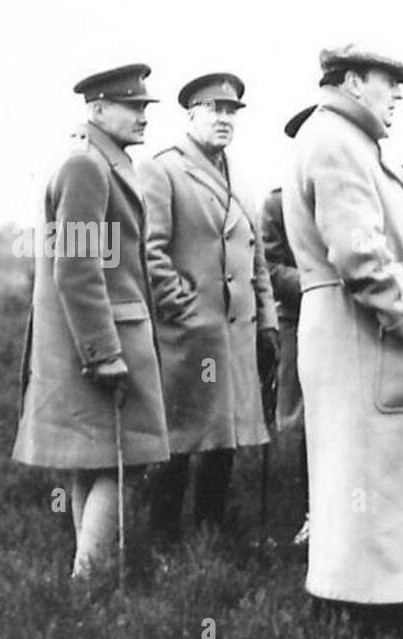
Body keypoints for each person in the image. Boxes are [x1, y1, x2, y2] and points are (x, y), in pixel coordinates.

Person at [282, 45, 403, 637]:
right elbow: (359, 257)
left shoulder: (347, 138)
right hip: (362, 332)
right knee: (366, 476)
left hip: (362, 330)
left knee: (375, 477)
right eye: (390, 83)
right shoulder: (334, 140)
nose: (397, 95)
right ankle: (375, 617)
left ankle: (388, 608)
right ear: (355, 81)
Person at [12, 64, 170, 579]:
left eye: (145, 106)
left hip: (103, 334)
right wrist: (104, 353)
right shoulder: (87, 166)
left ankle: (86, 592)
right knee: (127, 466)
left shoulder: (102, 163)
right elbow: (78, 268)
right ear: (98, 109)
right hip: (104, 339)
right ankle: (90, 588)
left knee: (96, 462)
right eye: (132, 106)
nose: (142, 115)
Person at [140, 73, 279, 538]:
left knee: (226, 441)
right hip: (190, 335)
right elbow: (150, 250)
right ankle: (162, 544)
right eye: (214, 110)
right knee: (180, 439)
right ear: (191, 115)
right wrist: (181, 307)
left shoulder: (240, 178)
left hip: (236, 335)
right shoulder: (164, 170)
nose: (224, 120)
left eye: (231, 111)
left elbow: (256, 259)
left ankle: (210, 540)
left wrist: (269, 325)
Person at [260, 105, 316, 548]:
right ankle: (312, 513)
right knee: (305, 420)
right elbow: (272, 268)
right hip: (302, 320)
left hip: (358, 322)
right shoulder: (280, 202)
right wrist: (319, 285)